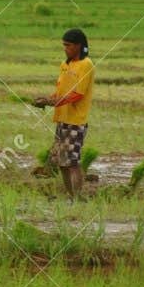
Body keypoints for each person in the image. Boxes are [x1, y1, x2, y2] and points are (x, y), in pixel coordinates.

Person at [33, 28, 95, 195]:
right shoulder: (65, 65)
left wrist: (54, 102)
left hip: (76, 122)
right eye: (64, 45)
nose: (65, 48)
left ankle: (77, 197)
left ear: (78, 46)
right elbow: (60, 92)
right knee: (62, 163)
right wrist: (46, 99)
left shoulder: (86, 65)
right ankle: (71, 196)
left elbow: (77, 94)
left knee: (72, 163)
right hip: (63, 119)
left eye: (68, 45)